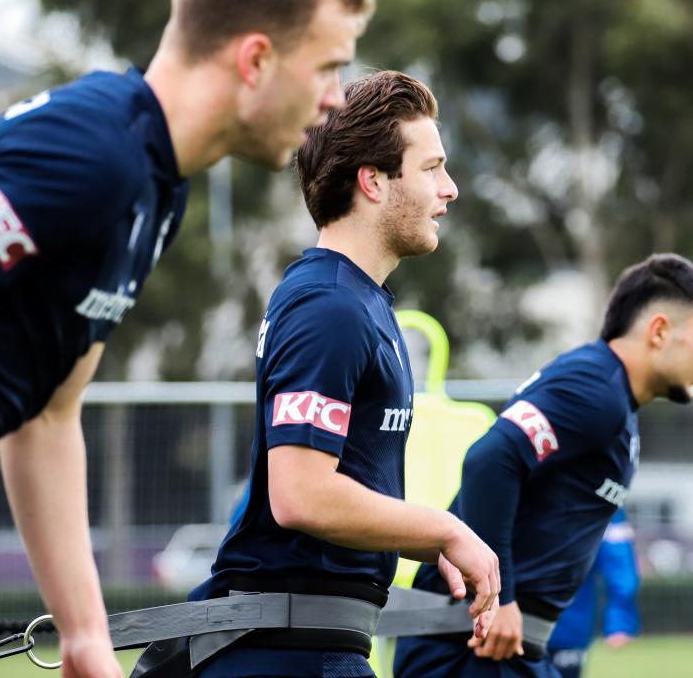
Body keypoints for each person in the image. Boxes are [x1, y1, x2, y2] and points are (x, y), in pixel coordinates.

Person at [0, 0, 373, 678]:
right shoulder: (95, 150)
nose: (336, 98)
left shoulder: (157, 193)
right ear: (257, 59)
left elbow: (51, 414)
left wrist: (84, 634)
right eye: (329, 66)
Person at [181, 70, 498, 678]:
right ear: (373, 180)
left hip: (312, 645)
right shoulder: (330, 305)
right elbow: (301, 494)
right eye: (431, 168)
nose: (450, 189)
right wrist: (443, 529)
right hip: (285, 655)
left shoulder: (360, 302)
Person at [394, 253, 693, 678]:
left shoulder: (612, 397)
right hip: (470, 648)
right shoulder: (595, 389)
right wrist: (503, 599)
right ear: (659, 330)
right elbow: (488, 461)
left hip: (504, 648)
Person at [546, 508, 641, 678]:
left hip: (565, 627)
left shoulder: (598, 495)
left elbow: (620, 565)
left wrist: (620, 621)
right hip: (502, 620)